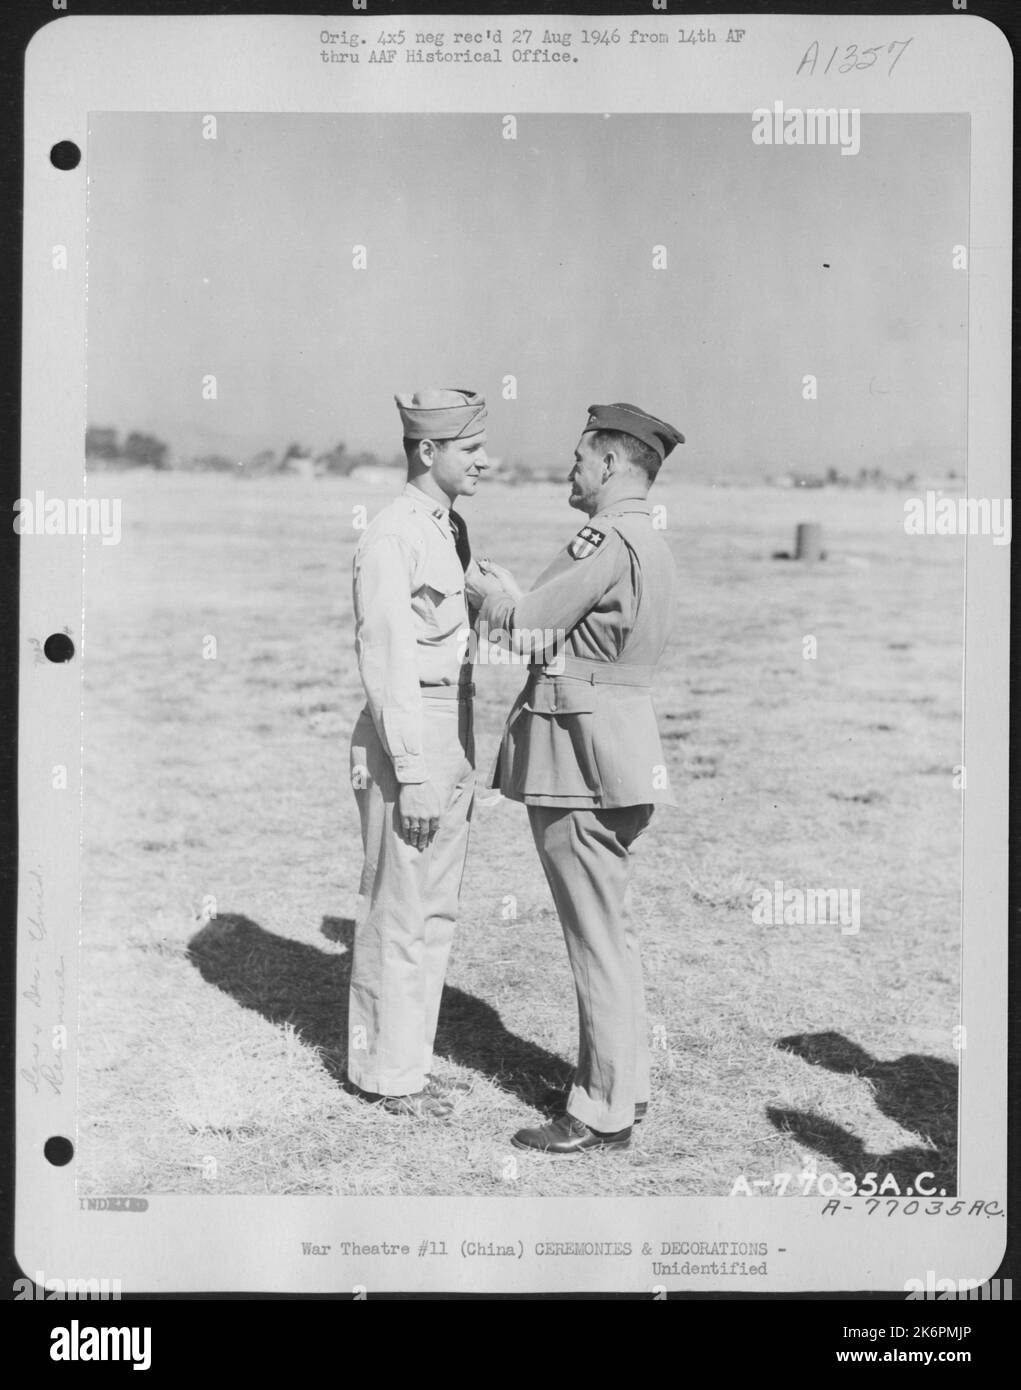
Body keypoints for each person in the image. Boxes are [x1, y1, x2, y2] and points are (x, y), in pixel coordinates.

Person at [467, 402, 683, 1153]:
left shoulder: (601, 536)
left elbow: (528, 627)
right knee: (610, 933)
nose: (571, 469)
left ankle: (598, 1111)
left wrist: (487, 593)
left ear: (614, 465)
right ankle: (628, 1086)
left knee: (593, 939)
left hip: (577, 758)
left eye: (580, 457)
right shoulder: (647, 535)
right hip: (621, 751)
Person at [347, 389, 489, 1118]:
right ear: (428, 451)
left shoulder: (447, 527)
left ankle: (411, 1063)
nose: (484, 462)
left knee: (434, 911)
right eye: (471, 450)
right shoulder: (393, 534)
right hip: (412, 730)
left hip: (451, 724)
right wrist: (411, 771)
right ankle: (384, 1075)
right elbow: (387, 661)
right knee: (397, 910)